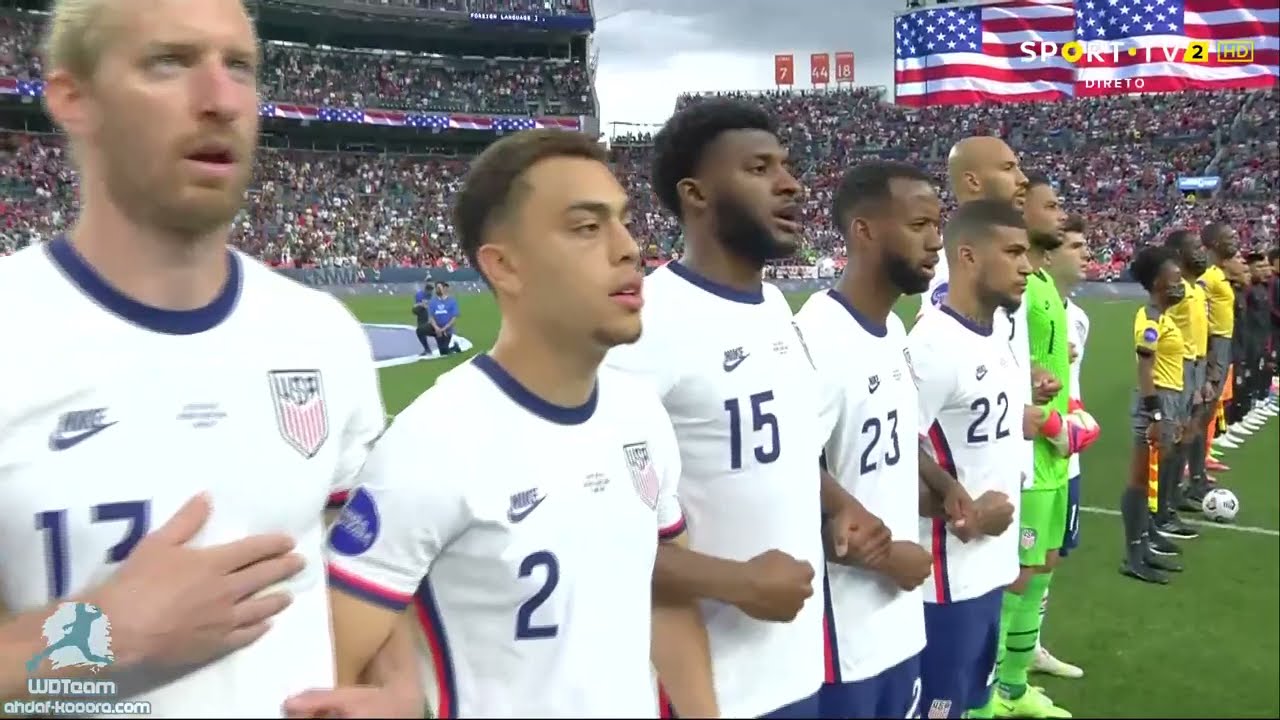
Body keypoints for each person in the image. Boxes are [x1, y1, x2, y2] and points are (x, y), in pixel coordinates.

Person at [0, 0, 410, 715]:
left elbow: (360, 557)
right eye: (170, 62)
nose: (221, 99)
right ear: (73, 98)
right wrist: (100, 637)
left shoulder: (323, 335)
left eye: (240, 67)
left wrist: (399, 687)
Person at [319, 130, 717, 718]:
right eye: (587, 227)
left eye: (624, 221)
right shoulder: (433, 445)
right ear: (504, 266)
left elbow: (667, 604)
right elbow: (329, 665)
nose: (630, 248)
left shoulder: (641, 416)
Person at [603, 98, 892, 719]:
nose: (790, 184)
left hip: (795, 668)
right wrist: (737, 584)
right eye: (759, 169)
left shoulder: (774, 308)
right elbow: (590, 529)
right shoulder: (646, 327)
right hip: (706, 690)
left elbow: (781, 451)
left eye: (786, 166)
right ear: (696, 194)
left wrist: (840, 505)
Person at [794, 160, 976, 719]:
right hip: (842, 641)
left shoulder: (894, 329)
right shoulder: (817, 339)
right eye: (919, 225)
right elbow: (783, 474)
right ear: (864, 231)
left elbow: (888, 439)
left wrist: (941, 483)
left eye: (937, 225)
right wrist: (884, 558)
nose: (936, 241)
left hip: (898, 621)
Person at [908, 200, 1032, 720]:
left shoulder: (995, 334)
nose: (1027, 266)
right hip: (945, 581)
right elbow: (892, 452)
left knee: (970, 704)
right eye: (1013, 253)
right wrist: (969, 515)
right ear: (967, 256)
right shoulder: (932, 346)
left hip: (988, 570)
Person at [992, 173, 1079, 720]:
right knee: (1018, 575)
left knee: (1043, 565)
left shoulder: (1042, 282)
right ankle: (990, 690)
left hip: (1055, 451)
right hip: (1030, 447)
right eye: (1050, 205)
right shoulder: (1016, 283)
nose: (1060, 213)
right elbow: (994, 357)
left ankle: (1016, 683)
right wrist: (1039, 405)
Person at [1033, 213, 1090, 681]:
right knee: (1024, 564)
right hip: (1035, 455)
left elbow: (1072, 384)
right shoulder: (1025, 305)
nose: (1085, 254)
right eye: (1075, 246)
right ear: (1049, 257)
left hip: (1067, 455)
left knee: (1052, 556)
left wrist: (1078, 418)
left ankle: (1029, 644)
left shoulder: (1080, 319)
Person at [1122, 246, 1188, 585]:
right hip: (1155, 402)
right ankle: (1134, 555)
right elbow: (1145, 367)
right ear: (1158, 282)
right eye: (1175, 279)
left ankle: (1145, 544)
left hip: (1169, 400)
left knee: (1152, 477)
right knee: (1139, 478)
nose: (1181, 284)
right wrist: (1156, 415)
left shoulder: (1163, 317)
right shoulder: (1149, 318)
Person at [1163, 230, 1216, 507]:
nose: (1201, 253)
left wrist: (1204, 375)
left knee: (1190, 432)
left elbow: (1200, 333)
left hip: (1196, 365)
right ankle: (1164, 501)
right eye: (1195, 248)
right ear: (1178, 254)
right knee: (1177, 434)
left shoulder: (1196, 289)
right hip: (1179, 368)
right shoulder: (1177, 290)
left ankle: (1176, 492)